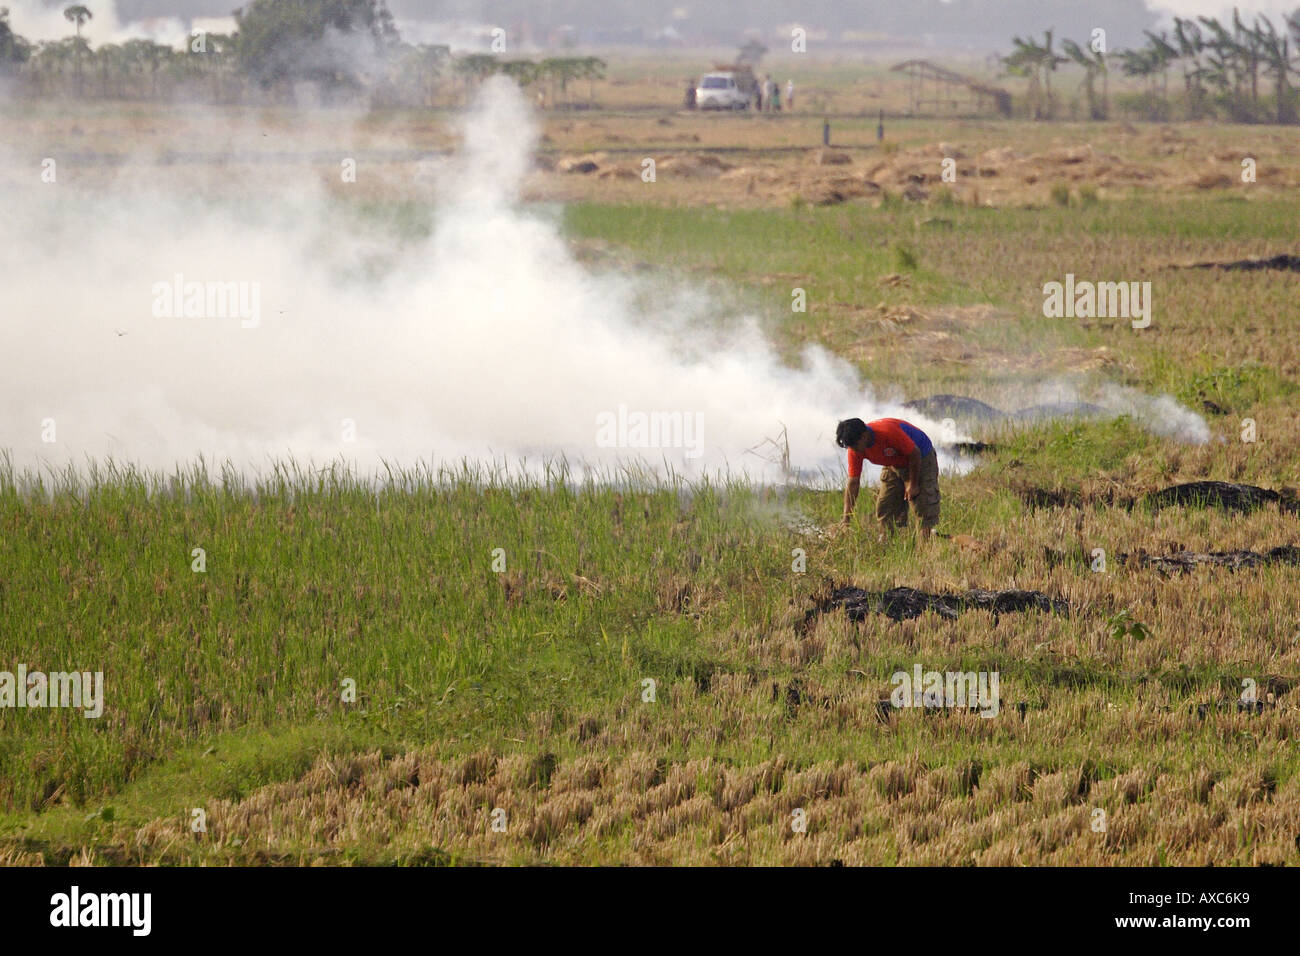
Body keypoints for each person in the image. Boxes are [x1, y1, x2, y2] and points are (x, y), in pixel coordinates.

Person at [835, 417, 941, 538]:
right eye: (850, 447)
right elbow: (853, 482)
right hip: (894, 463)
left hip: (921, 457)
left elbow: (914, 453)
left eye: (854, 446)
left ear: (864, 436)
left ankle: (926, 547)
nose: (853, 450)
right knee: (885, 508)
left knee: (923, 508)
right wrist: (846, 518)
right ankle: (890, 543)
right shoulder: (854, 449)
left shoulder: (887, 432)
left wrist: (913, 484)